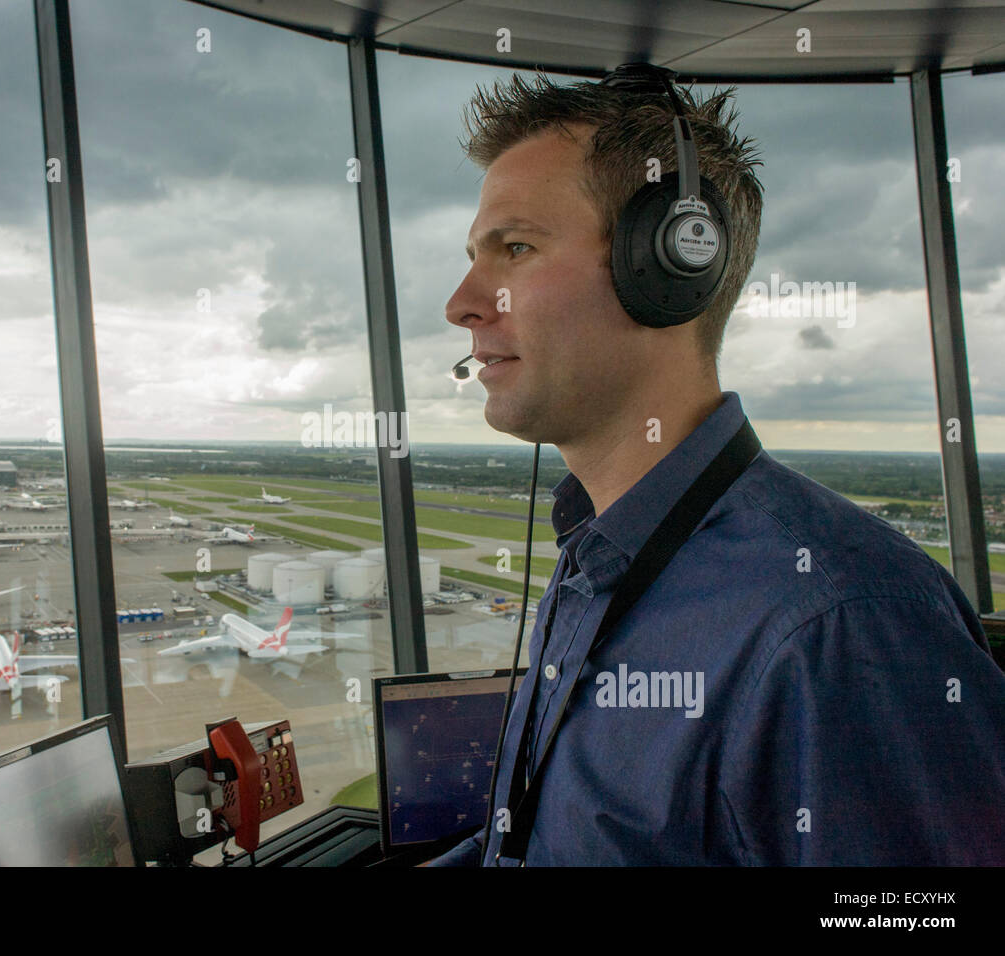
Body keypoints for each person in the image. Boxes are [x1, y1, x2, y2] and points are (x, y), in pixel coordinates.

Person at [430, 70, 1005, 865]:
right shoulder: (597, 557)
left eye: (515, 248)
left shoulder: (840, 622)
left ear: (666, 269)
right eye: (473, 257)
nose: (461, 302)